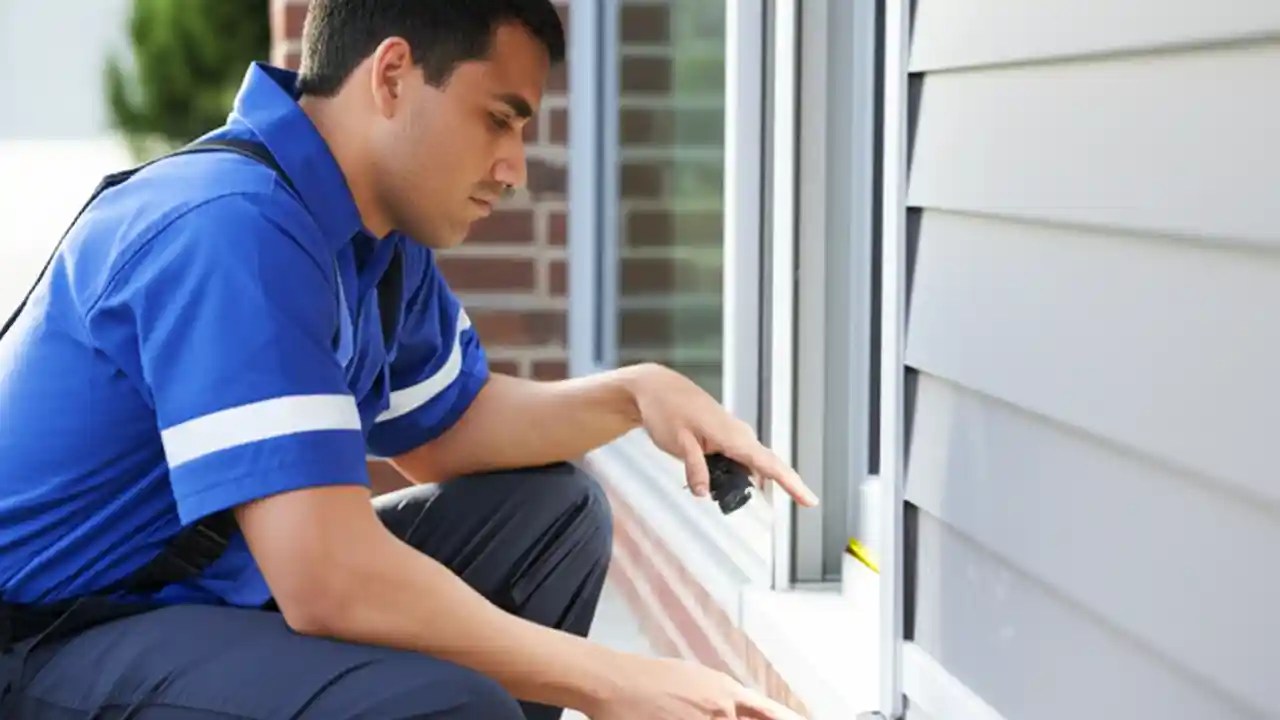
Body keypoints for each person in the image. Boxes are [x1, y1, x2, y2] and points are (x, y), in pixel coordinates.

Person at [0, 1, 819, 718]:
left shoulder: (372, 237)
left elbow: (446, 429)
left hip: (192, 601)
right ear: (392, 75)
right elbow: (326, 579)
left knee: (552, 519)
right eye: (499, 119)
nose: (514, 170)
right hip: (50, 639)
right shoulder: (228, 228)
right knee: (444, 708)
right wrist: (615, 680)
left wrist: (640, 395)